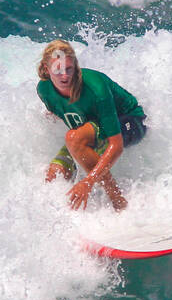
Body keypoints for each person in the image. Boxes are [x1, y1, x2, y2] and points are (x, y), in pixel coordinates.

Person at [36, 39, 147, 211]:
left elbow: (116, 146)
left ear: (76, 67)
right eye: (57, 70)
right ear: (46, 69)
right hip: (93, 127)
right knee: (53, 176)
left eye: (69, 69)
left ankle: (119, 202)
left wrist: (88, 181)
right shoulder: (44, 90)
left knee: (73, 138)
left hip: (130, 122)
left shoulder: (96, 89)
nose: (64, 76)